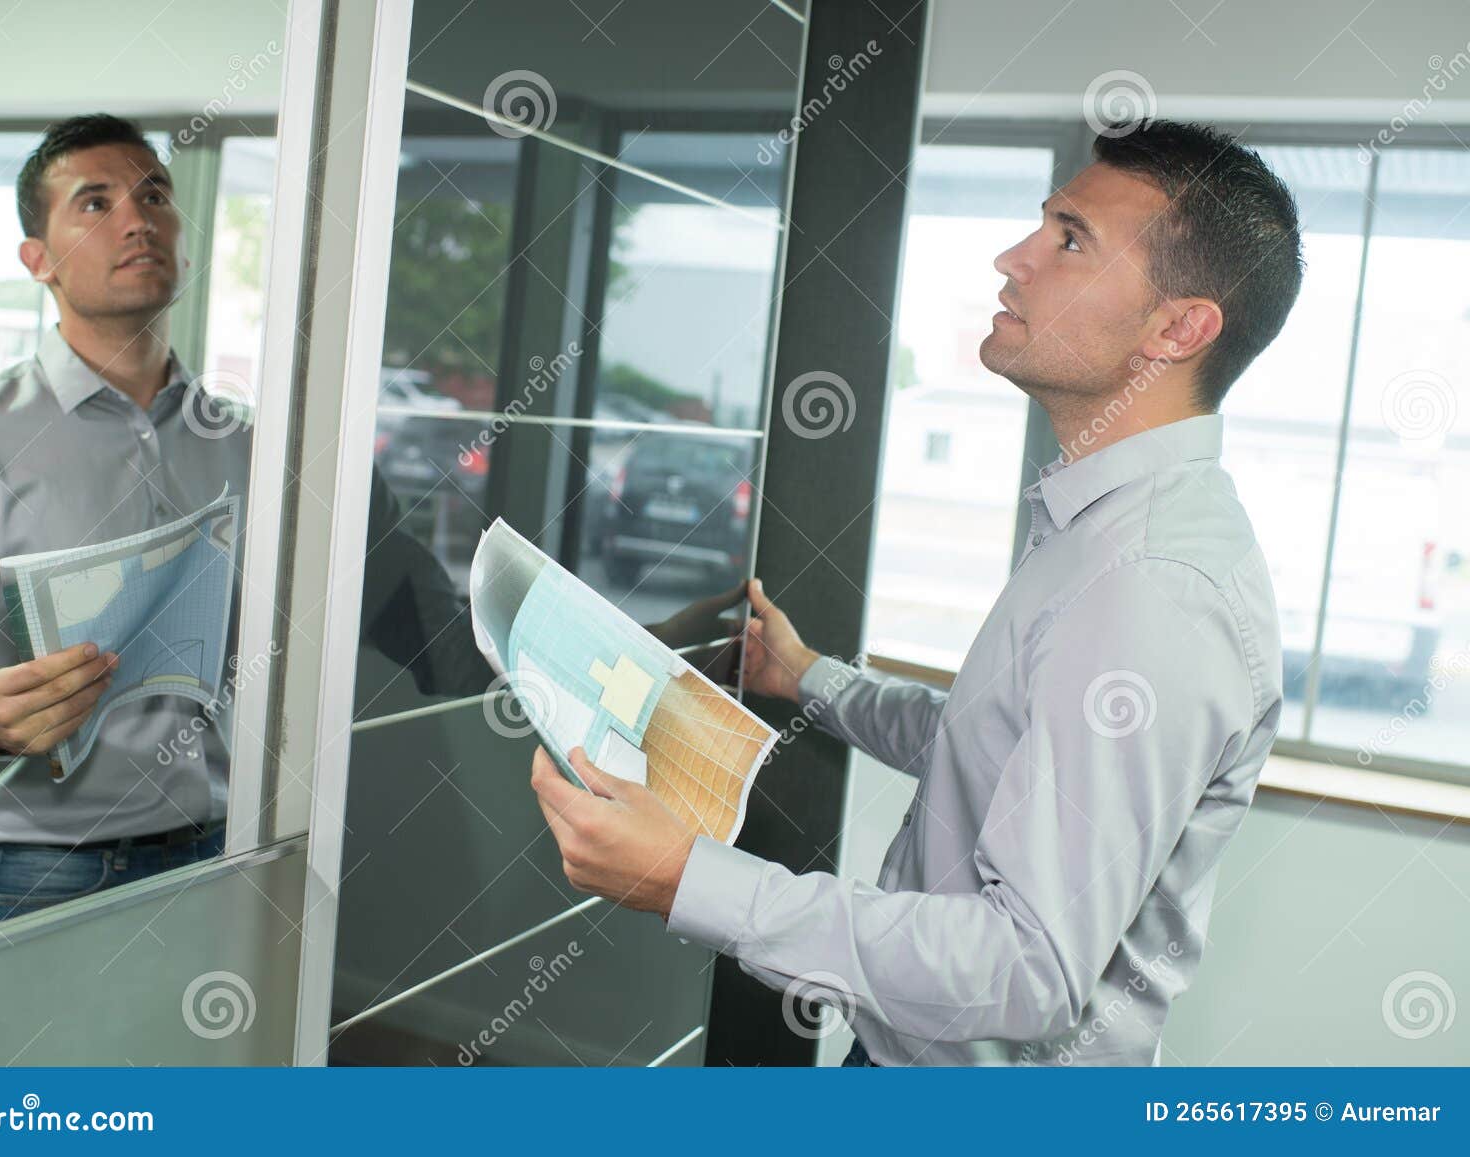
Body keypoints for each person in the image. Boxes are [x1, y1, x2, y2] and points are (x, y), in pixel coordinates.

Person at [529, 119, 1304, 1066]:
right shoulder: (1100, 528)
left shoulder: (1153, 586)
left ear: (1178, 327)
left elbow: (1028, 967)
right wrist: (809, 677)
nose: (1012, 259)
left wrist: (688, 878)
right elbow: (986, 744)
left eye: (1069, 239)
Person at [0, 115, 483, 927]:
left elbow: (369, 622)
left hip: (230, 848)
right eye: (94, 203)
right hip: (52, 870)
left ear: (183, 238)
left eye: (154, 195)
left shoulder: (249, 444)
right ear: (38, 261)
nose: (137, 218)